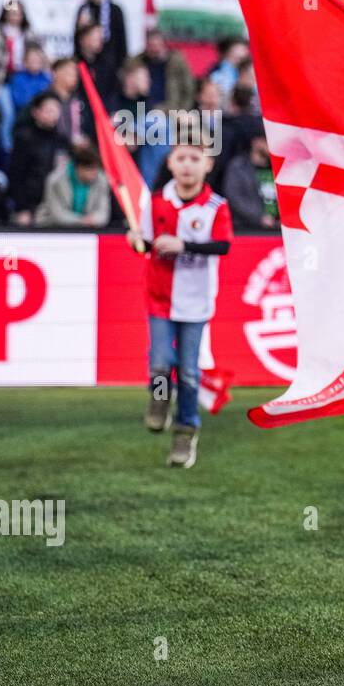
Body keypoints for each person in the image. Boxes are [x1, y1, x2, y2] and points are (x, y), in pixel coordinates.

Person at [127, 141, 233, 469]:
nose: (188, 165)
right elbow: (145, 242)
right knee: (160, 360)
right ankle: (160, 396)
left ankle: (186, 430)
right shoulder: (156, 202)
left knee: (188, 371)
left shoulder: (216, 206)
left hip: (197, 301)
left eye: (195, 159)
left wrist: (183, 244)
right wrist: (136, 241)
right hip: (159, 297)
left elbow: (223, 245)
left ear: (208, 165)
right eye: (181, 158)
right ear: (170, 163)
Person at [8, 91, 70, 224]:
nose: (53, 114)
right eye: (48, 110)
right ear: (36, 112)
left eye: (56, 110)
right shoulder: (24, 138)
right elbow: (16, 175)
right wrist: (22, 208)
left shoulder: (62, 141)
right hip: (30, 206)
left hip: (55, 206)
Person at [34, 146, 110, 227]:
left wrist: (92, 220)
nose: (95, 173)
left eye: (97, 168)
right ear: (79, 168)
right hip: (52, 227)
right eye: (91, 169)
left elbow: (103, 213)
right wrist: (81, 220)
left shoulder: (102, 179)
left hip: (88, 228)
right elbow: (57, 213)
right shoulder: (55, 181)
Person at [75, 0, 128, 72]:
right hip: (87, 64)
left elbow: (121, 40)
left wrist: (121, 65)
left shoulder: (114, 10)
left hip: (111, 64)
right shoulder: (83, 10)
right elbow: (76, 39)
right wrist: (81, 27)